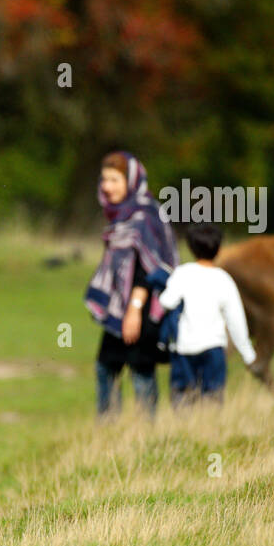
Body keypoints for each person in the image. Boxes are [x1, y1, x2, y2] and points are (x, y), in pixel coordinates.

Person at [84, 151, 179, 418]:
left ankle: (146, 435)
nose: (106, 186)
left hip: (143, 309)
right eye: (104, 179)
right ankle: (109, 433)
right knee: (106, 366)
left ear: (132, 180)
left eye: (114, 179)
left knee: (140, 369)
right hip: (120, 309)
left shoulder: (144, 215)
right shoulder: (120, 216)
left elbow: (148, 269)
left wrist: (135, 310)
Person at [158, 222, 256, 406]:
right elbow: (236, 320)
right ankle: (208, 430)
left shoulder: (183, 273)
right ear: (218, 249)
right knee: (212, 395)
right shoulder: (224, 279)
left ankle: (184, 431)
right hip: (213, 348)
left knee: (183, 395)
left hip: (184, 347)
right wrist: (247, 352)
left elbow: (166, 301)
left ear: (191, 247)